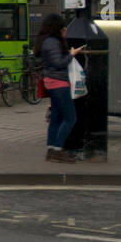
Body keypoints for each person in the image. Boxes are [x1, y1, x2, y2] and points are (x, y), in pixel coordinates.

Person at [35, 13, 86, 163]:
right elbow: (59, 63)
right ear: (56, 27)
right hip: (59, 83)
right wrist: (72, 54)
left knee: (56, 117)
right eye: (62, 26)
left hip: (52, 82)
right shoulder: (52, 42)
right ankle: (58, 149)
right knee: (70, 117)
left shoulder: (47, 41)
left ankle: (51, 150)